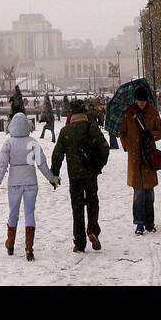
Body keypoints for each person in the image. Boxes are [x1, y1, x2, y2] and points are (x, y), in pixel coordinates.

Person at [0, 110, 58, 260]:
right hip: (31, 182)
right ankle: (29, 248)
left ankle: (10, 243)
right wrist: (51, 178)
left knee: (13, 212)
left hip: (14, 183)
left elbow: (2, 166)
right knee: (29, 213)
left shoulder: (8, 143)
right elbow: (41, 164)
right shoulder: (33, 142)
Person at [51, 98, 110, 253]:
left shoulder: (66, 131)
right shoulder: (91, 127)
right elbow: (104, 147)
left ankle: (79, 242)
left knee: (77, 208)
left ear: (71, 114)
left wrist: (54, 174)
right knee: (92, 203)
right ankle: (92, 230)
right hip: (90, 173)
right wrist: (99, 165)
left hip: (74, 176)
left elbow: (57, 154)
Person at [119, 86, 161, 235]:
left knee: (149, 193)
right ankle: (139, 223)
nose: (142, 103)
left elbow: (160, 131)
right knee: (138, 193)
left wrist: (151, 135)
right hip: (135, 158)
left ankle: (149, 222)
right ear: (135, 100)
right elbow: (122, 134)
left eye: (144, 100)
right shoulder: (128, 114)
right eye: (139, 100)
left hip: (149, 156)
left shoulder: (153, 112)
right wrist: (128, 146)